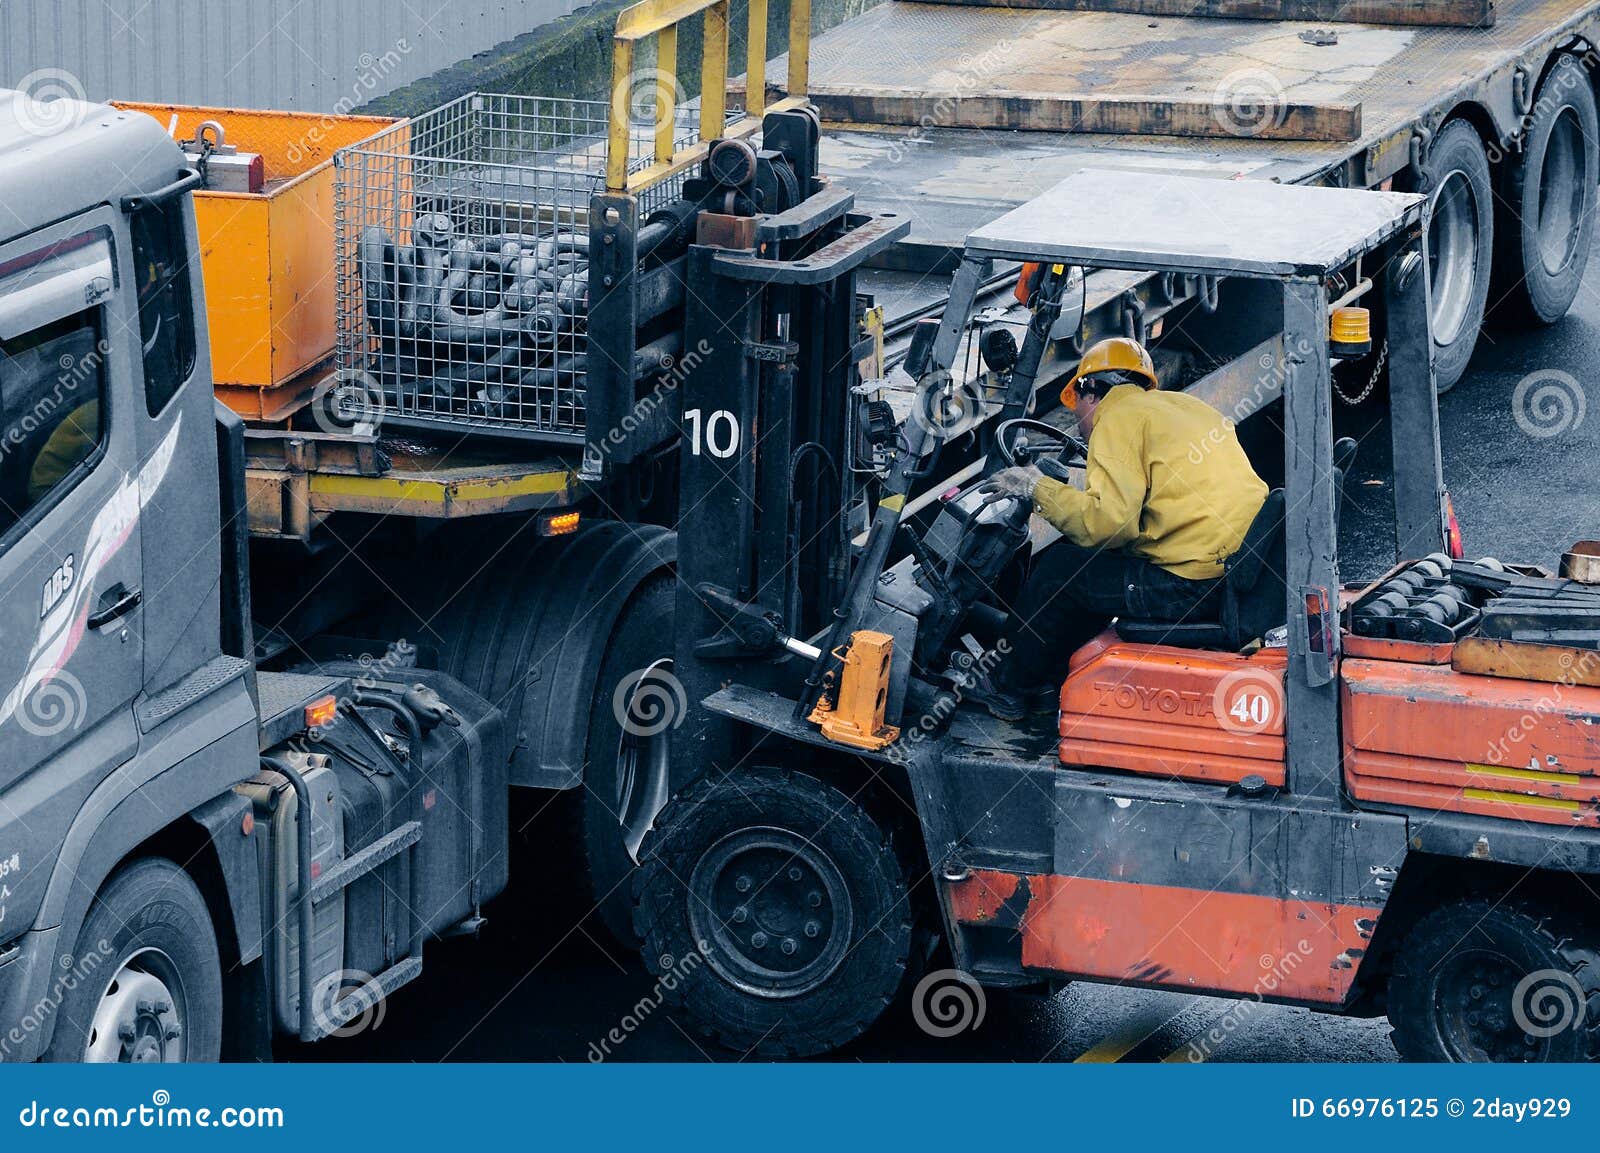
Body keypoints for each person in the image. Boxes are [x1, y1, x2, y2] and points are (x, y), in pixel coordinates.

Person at [970, 336, 1268, 721]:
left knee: (1062, 568)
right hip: (1234, 571)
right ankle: (1051, 666)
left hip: (1189, 586)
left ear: (1090, 391)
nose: (1078, 425)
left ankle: (1005, 686)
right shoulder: (1185, 407)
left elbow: (1110, 525)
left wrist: (1034, 486)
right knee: (1093, 567)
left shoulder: (1116, 417)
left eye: (1075, 407)